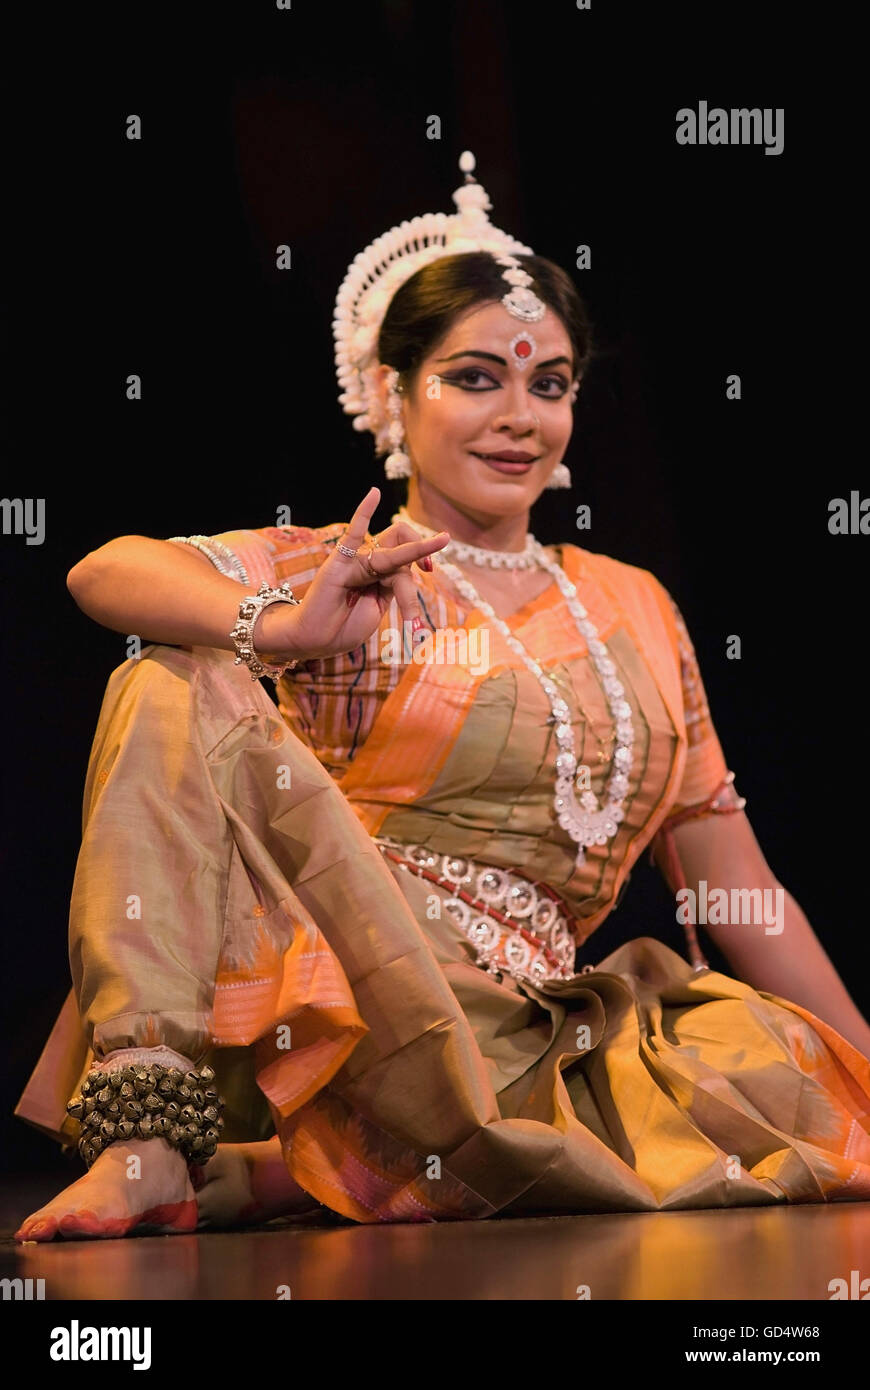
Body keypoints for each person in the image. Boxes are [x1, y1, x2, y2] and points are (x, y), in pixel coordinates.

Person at [15, 153, 870, 1241]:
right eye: (475, 377)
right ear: (393, 391)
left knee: (762, 1066)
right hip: (366, 1005)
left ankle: (287, 1177)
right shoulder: (353, 571)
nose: (519, 416)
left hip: (531, 1030)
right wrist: (277, 627)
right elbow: (102, 572)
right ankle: (149, 1136)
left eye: (549, 384)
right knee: (171, 665)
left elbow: (742, 885)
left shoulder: (636, 603)